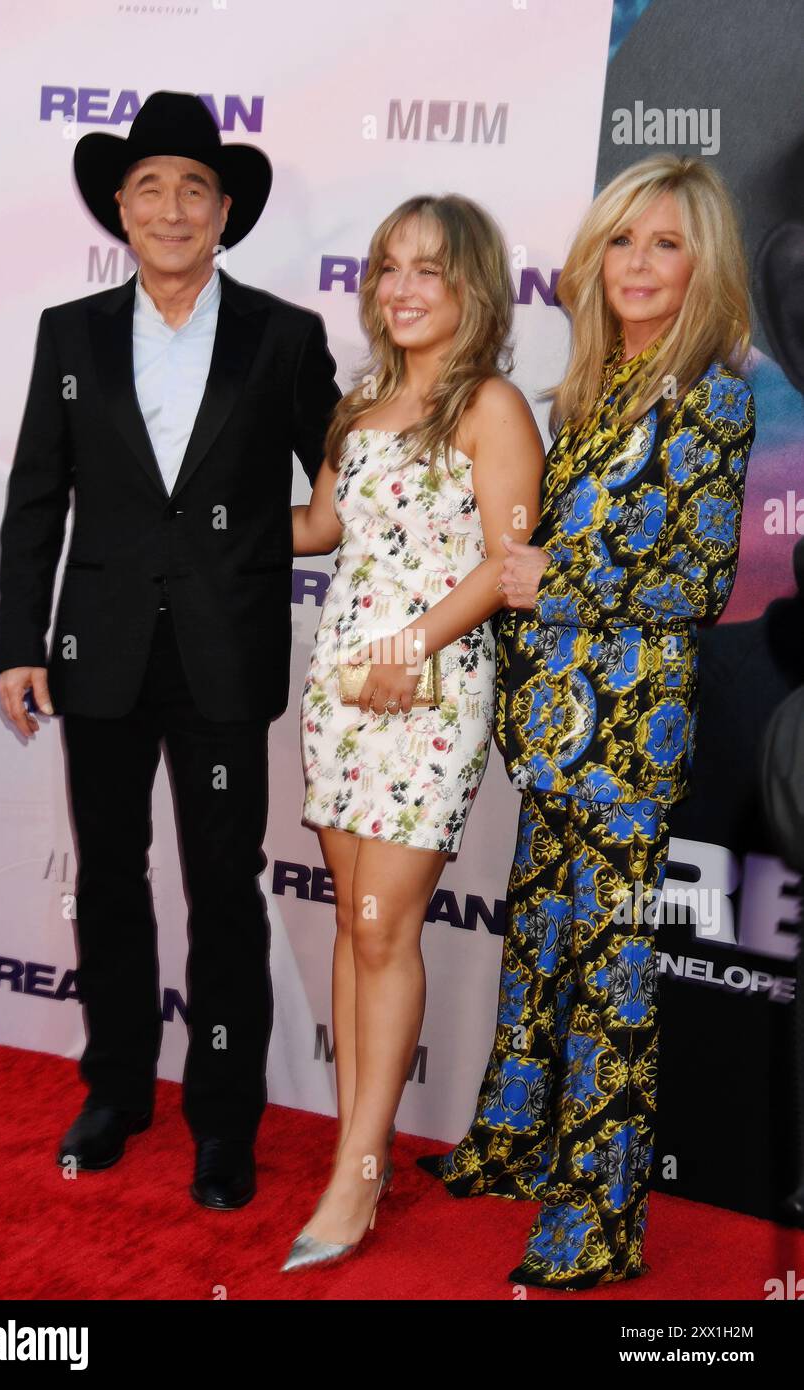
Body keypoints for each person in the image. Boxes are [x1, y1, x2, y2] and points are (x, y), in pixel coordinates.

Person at [0, 91, 340, 1210]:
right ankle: (117, 1089)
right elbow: (37, 498)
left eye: (195, 187)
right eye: (150, 188)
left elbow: (346, 475)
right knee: (109, 879)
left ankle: (225, 1116)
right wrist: (18, 643)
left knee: (227, 887)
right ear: (121, 209)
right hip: (95, 655)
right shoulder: (69, 334)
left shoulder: (286, 336)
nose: (173, 208)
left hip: (225, 658)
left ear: (226, 209)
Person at [417, 154, 757, 1290]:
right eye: (623, 240)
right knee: (534, 948)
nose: (640, 264)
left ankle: (599, 1219)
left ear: (703, 262)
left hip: (626, 740)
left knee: (611, 974)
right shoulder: (594, 384)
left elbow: (698, 577)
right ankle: (516, 1143)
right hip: (554, 724)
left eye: (666, 243)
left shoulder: (713, 387)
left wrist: (544, 578)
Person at [282, 193, 545, 1272]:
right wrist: (193, 502)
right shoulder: (361, 403)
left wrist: (412, 649)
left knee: (386, 930)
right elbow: (320, 529)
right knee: (355, 924)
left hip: (425, 698)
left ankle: (359, 1171)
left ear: (474, 286)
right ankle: (360, 1145)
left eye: (428, 269)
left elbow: (509, 562)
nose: (400, 287)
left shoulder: (492, 407)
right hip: (341, 694)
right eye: (388, 265)